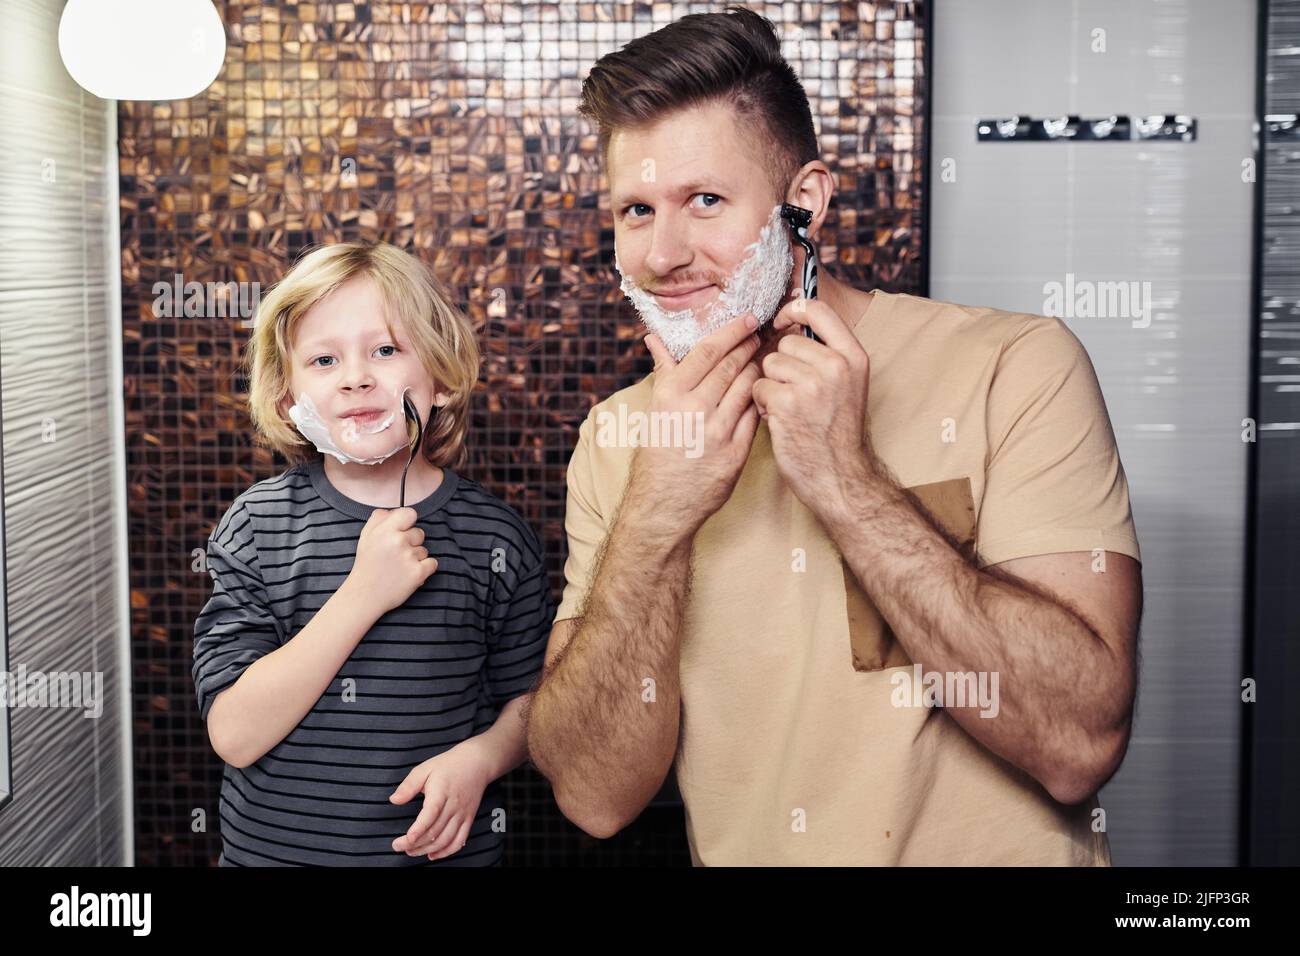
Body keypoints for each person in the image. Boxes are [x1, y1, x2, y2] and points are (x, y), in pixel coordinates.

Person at [527, 7, 1143, 865]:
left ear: (803, 203)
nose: (662, 252)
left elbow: (1079, 745)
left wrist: (847, 481)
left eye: (703, 200)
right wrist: (657, 515)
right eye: (635, 210)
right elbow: (594, 797)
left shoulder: (1017, 367)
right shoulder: (619, 437)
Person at [192, 241, 553, 865]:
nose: (357, 376)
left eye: (385, 351)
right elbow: (235, 734)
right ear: (288, 399)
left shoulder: (498, 540)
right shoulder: (256, 526)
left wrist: (484, 758)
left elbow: (533, 702)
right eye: (324, 359)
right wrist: (362, 594)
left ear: (439, 377)